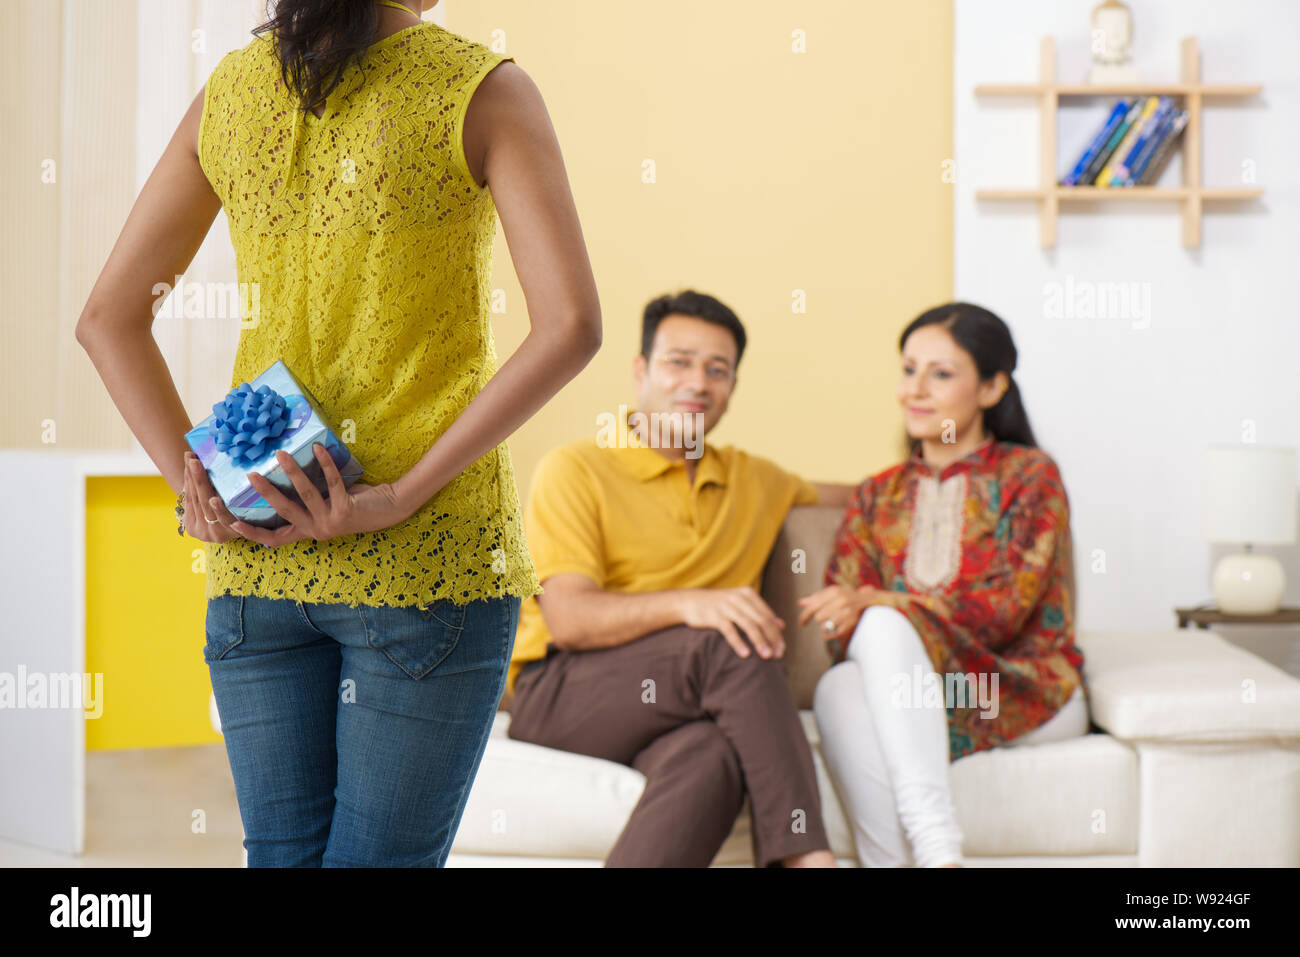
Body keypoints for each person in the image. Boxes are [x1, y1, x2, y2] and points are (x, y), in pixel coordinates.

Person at [74, 0, 601, 867]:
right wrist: (394, 496)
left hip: (257, 552)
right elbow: (572, 324)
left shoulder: (230, 93)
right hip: (429, 565)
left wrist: (193, 485)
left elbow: (108, 318)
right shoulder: (484, 89)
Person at [505, 289, 856, 868]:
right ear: (641, 370)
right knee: (733, 636)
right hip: (563, 694)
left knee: (713, 757)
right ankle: (810, 861)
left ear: (733, 389)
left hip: (683, 706)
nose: (699, 382)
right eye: (679, 362)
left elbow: (872, 495)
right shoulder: (576, 469)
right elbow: (569, 619)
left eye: (718, 370)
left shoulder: (755, 479)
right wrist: (694, 604)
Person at [804, 302, 1088, 868]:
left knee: (883, 619)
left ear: (991, 387)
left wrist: (884, 603)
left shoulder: (1031, 476)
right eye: (908, 370)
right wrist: (873, 612)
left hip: (1013, 686)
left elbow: (1005, 610)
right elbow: (843, 627)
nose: (916, 389)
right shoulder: (875, 494)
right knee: (837, 687)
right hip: (912, 692)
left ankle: (938, 849)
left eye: (941, 373)